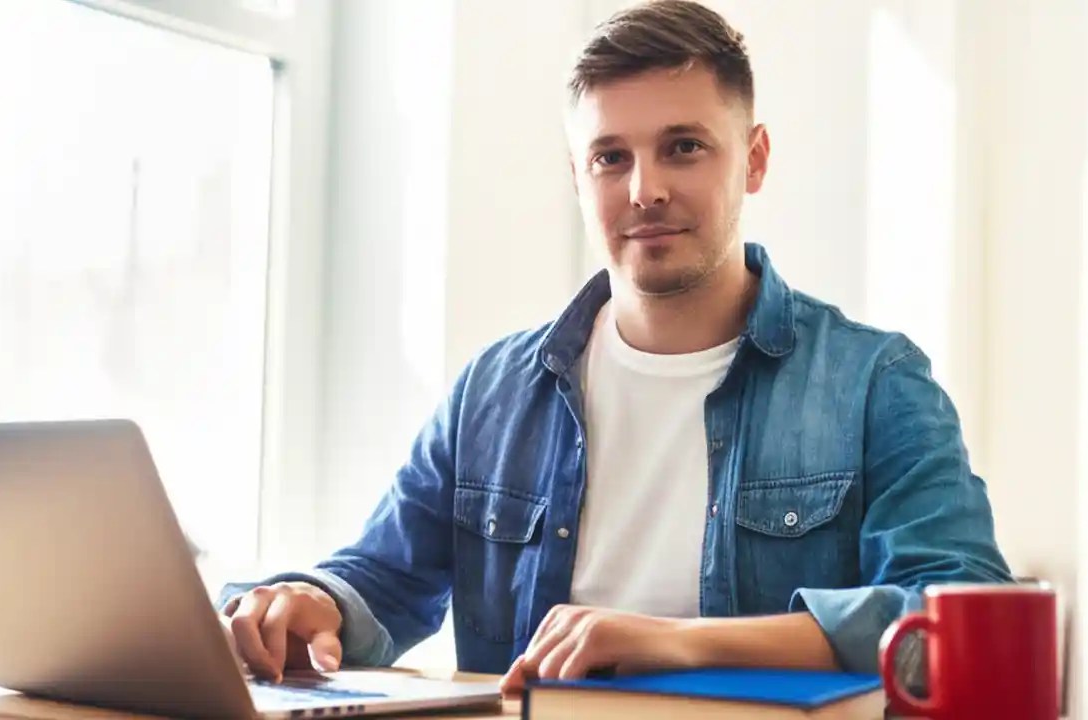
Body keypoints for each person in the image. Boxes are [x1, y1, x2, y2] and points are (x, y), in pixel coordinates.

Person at [217, 0, 1012, 695]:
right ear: (577, 176)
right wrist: (307, 601)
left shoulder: (874, 381)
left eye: (684, 147)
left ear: (755, 159)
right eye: (610, 157)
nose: (644, 190)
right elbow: (382, 578)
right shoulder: (493, 391)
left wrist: (678, 644)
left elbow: (961, 616)